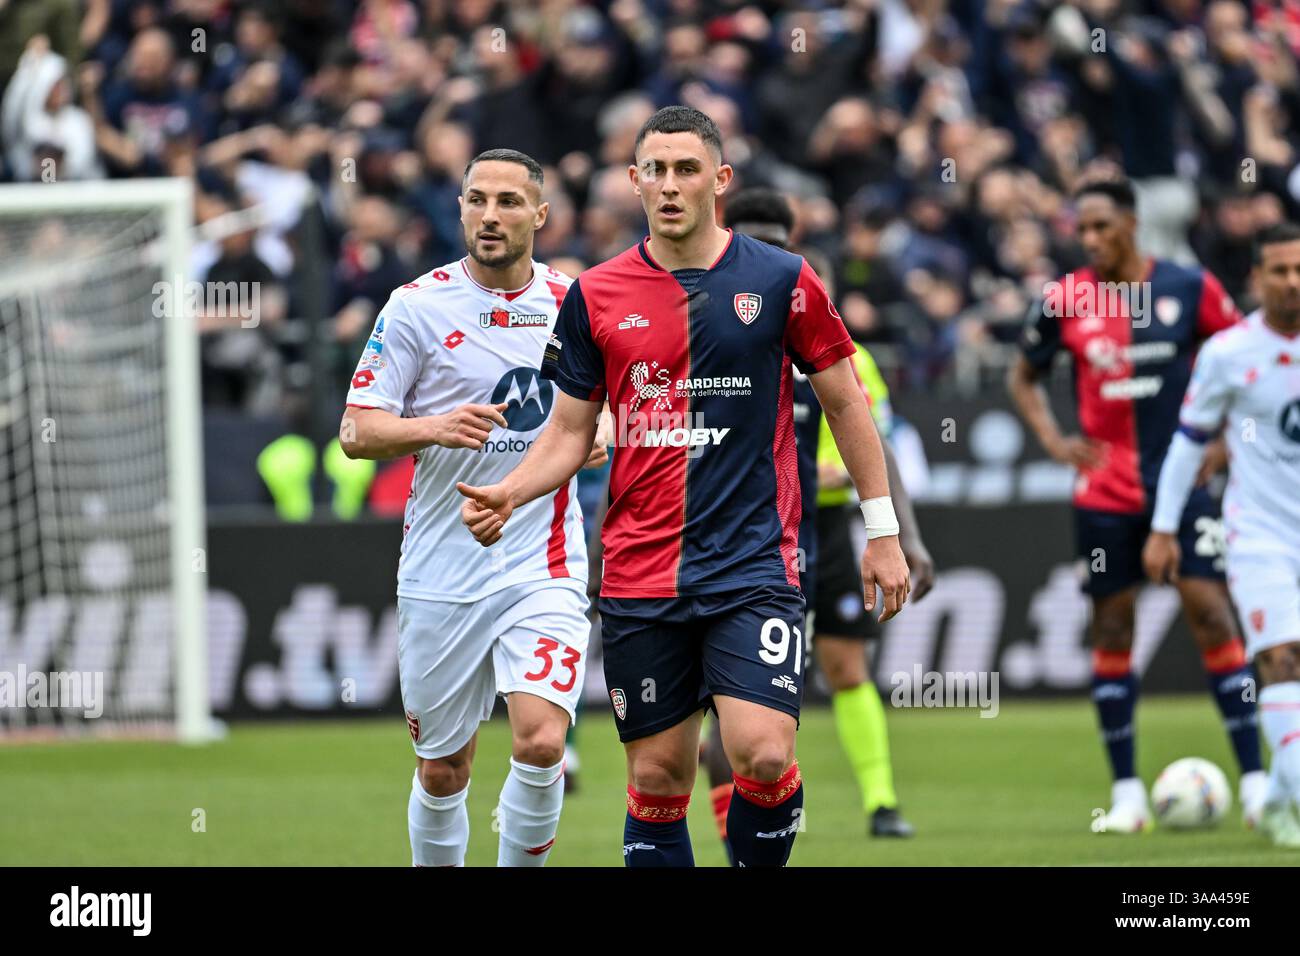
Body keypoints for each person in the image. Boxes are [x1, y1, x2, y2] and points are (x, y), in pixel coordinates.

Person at [458, 106, 911, 867]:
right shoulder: (595, 295)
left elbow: (845, 400)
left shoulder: (781, 279)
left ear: (720, 180)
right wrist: (513, 488)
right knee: (659, 776)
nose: (670, 186)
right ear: (634, 181)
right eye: (656, 171)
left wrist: (884, 530)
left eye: (687, 170)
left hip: (753, 564)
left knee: (761, 754)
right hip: (640, 571)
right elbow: (571, 431)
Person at [340, 148, 604, 866]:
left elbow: (608, 412)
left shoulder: (576, 302)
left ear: (541, 215)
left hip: (541, 559)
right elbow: (356, 429)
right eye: (478, 199)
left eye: (510, 201)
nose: (491, 215)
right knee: (442, 770)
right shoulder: (416, 306)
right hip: (441, 571)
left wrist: (600, 434)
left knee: (543, 741)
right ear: (459, 209)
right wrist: (434, 426)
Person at [1008, 176, 1266, 833]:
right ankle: (1126, 795)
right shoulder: (1064, 298)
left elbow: (1243, 356)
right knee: (1113, 629)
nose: (1090, 240)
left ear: (1130, 224)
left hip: (1180, 487)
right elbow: (1024, 374)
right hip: (1105, 494)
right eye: (1082, 230)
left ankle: (1258, 782)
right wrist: (1054, 441)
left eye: (1101, 227)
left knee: (1211, 614)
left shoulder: (1187, 285)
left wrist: (1228, 443)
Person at [696, 189, 933, 849]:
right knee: (739, 709)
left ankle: (882, 801)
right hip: (733, 539)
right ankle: (735, 837)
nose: (765, 253)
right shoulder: (699, 326)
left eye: (777, 241)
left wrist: (902, 534)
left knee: (845, 665)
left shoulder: (815, 320)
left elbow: (871, 432)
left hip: (820, 527)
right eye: (752, 239)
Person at [1143, 222, 1300, 848]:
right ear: (1257, 279)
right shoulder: (1228, 354)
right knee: (1281, 661)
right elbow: (1188, 445)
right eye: (1280, 271)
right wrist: (1163, 528)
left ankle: (1279, 798)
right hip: (1259, 534)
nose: (1292, 281)